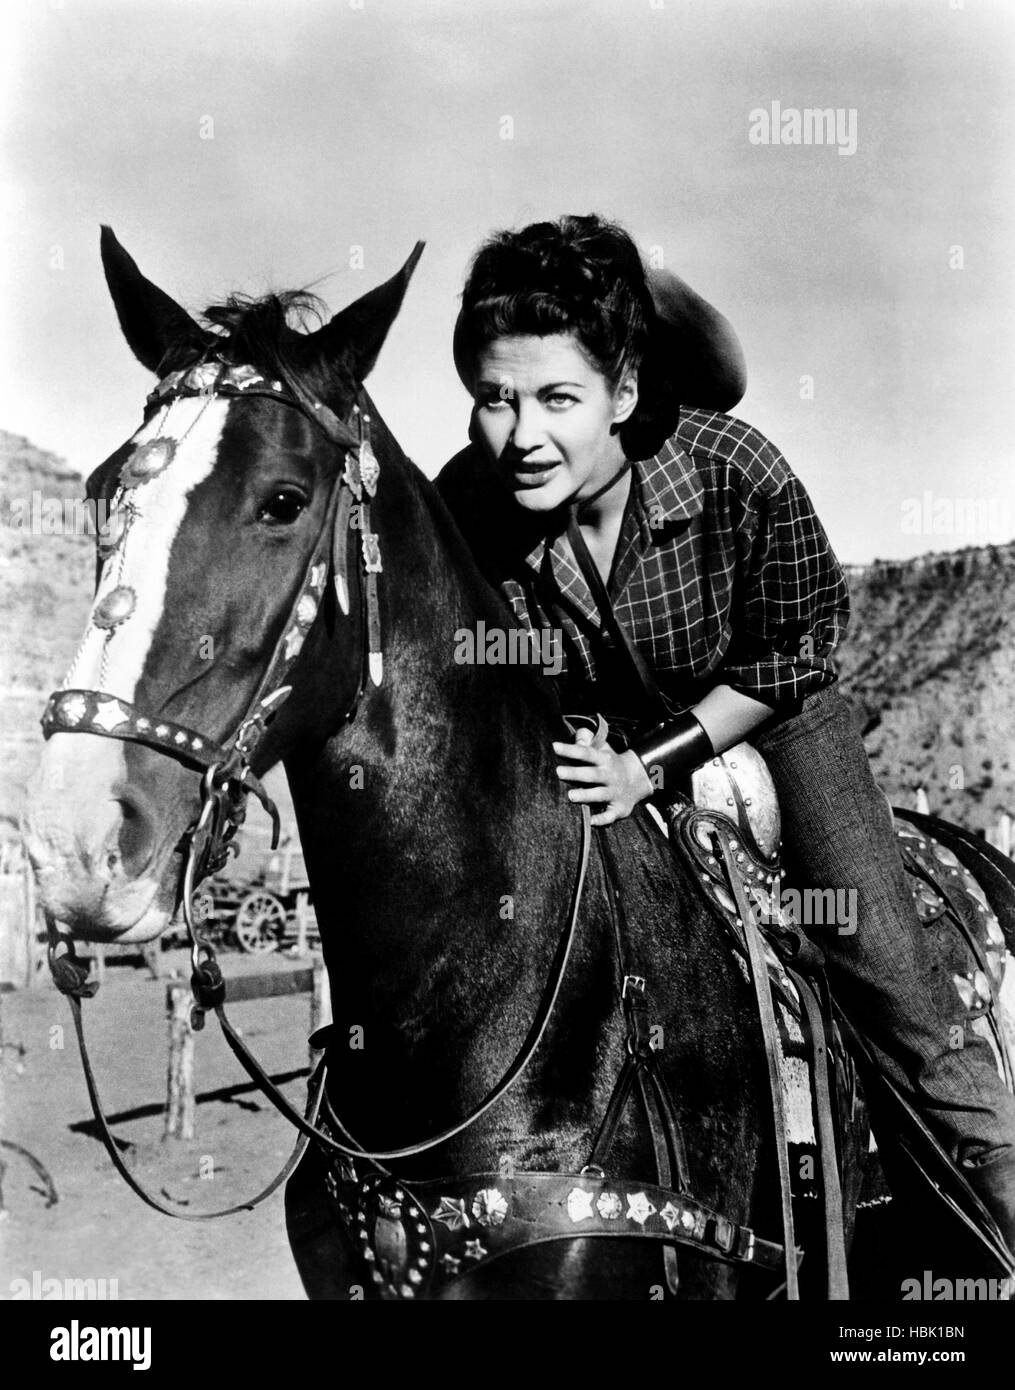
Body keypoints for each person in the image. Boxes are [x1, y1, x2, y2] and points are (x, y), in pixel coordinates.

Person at [435, 213, 1015, 1257]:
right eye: (494, 399)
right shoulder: (468, 505)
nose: (521, 435)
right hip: (591, 754)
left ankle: (997, 1186)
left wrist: (650, 765)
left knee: (884, 962)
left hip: (772, 717)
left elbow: (798, 648)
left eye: (557, 399)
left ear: (623, 394)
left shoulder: (732, 468)